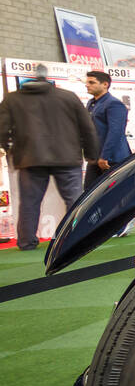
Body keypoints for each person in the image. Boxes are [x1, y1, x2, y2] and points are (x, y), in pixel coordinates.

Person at [0, 65, 98, 250]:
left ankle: (26, 242)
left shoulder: (12, 99)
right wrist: (92, 154)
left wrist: (9, 152)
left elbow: (2, 129)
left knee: (29, 202)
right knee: (74, 200)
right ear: (48, 79)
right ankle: (77, 239)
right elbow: (87, 127)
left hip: (30, 159)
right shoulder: (68, 97)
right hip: (67, 157)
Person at [83, 70, 131, 188]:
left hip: (111, 159)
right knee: (89, 192)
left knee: (113, 194)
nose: (87, 85)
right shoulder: (91, 103)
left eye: (92, 82)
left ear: (105, 84)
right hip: (95, 158)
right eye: (87, 82)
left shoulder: (114, 104)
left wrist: (105, 156)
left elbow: (115, 132)